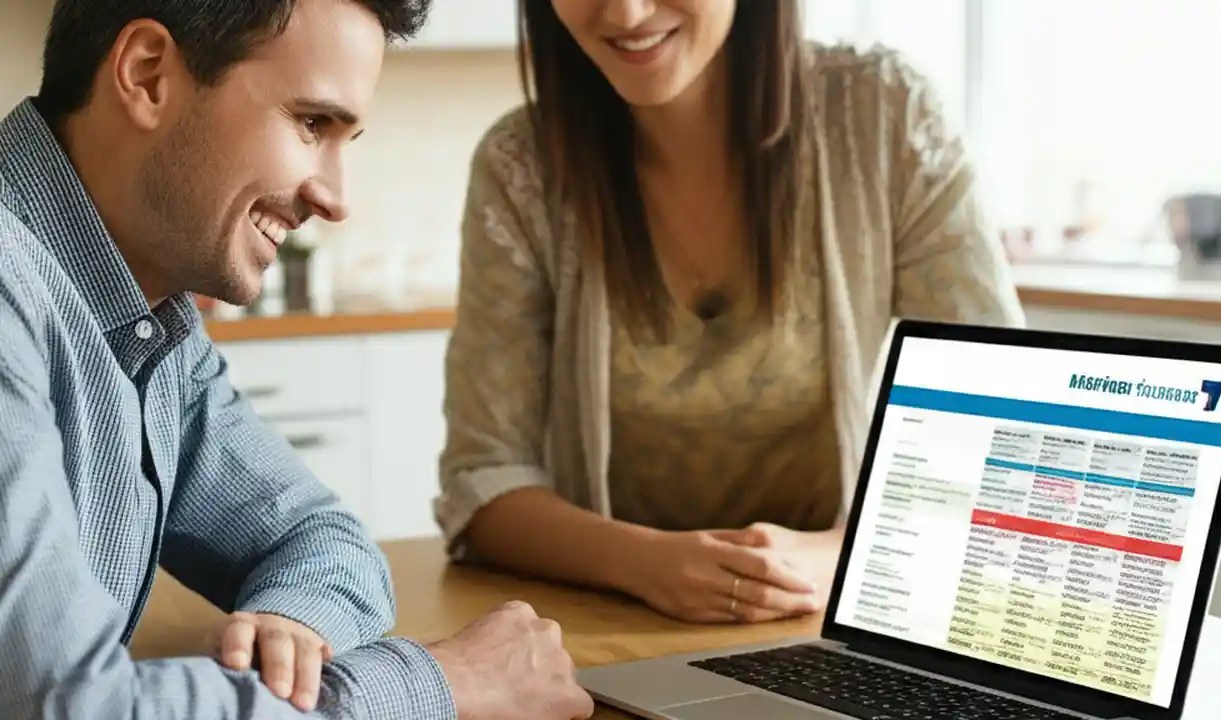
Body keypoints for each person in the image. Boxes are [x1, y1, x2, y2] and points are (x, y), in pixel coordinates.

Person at [0, 1, 592, 718]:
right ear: (147, 75)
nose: (336, 198)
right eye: (312, 124)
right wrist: (442, 684)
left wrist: (292, 635)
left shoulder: (150, 323)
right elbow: (67, 708)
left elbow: (323, 540)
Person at [436, 0, 1024, 625]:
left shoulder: (883, 117)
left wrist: (842, 556)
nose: (628, 12)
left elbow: (1000, 435)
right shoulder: (520, 166)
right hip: (613, 632)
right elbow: (484, 482)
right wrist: (647, 562)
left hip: (831, 622)